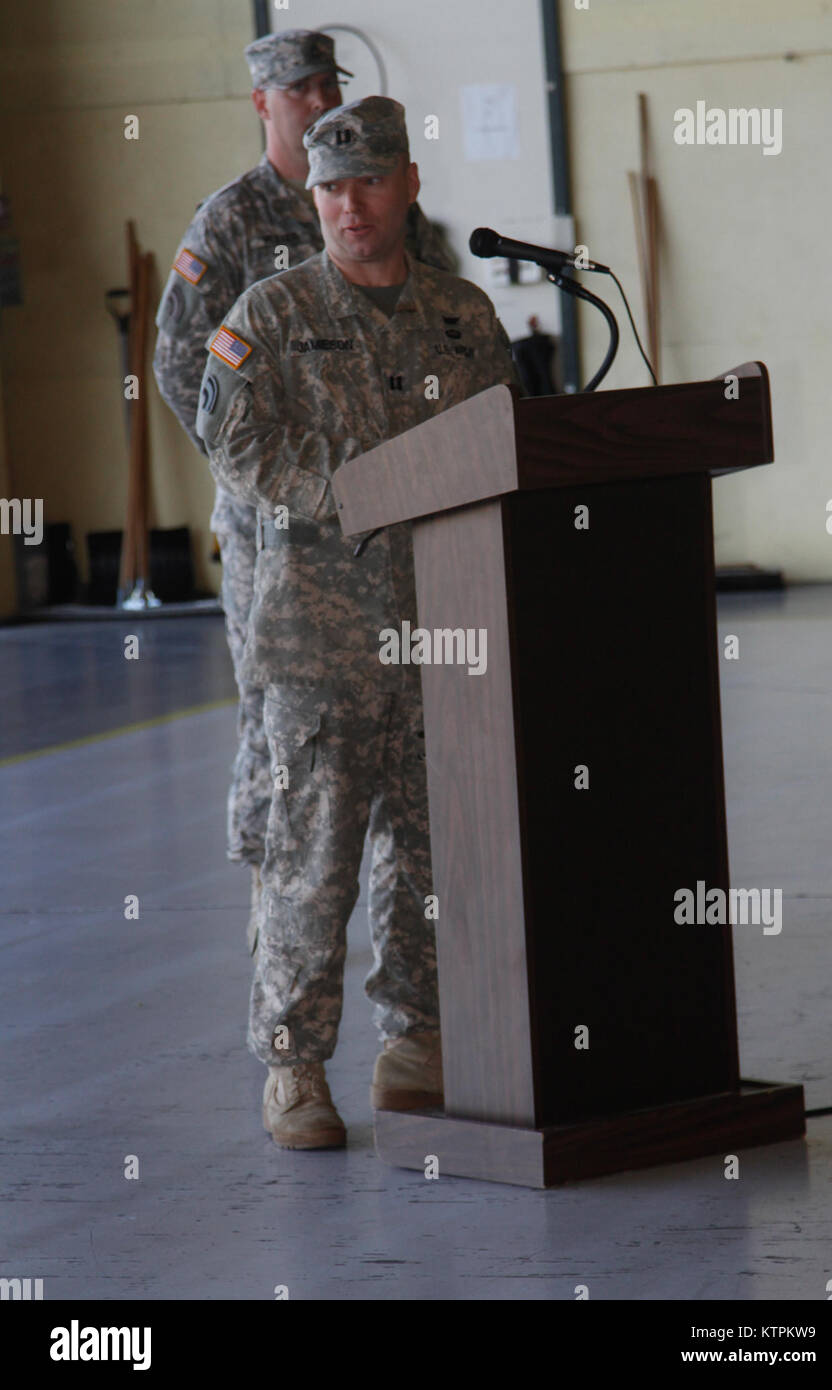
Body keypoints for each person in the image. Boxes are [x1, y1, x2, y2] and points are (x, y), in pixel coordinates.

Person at [197, 96, 518, 1150]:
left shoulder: (464, 319)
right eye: (330, 186)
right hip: (314, 641)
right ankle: (293, 1069)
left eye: (368, 180)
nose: (348, 203)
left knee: (432, 851)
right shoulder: (271, 314)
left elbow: (510, 448)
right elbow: (231, 441)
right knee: (312, 856)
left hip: (445, 625)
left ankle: (415, 1041)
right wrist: (354, 495)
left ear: (408, 183)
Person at [152, 31, 453, 955]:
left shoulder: (403, 217)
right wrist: (269, 485)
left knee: (413, 722)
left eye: (328, 82)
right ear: (262, 104)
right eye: (299, 88)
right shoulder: (233, 220)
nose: (316, 98)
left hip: (408, 529)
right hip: (277, 533)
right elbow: (178, 362)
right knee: (285, 722)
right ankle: (270, 888)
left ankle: (417, 985)